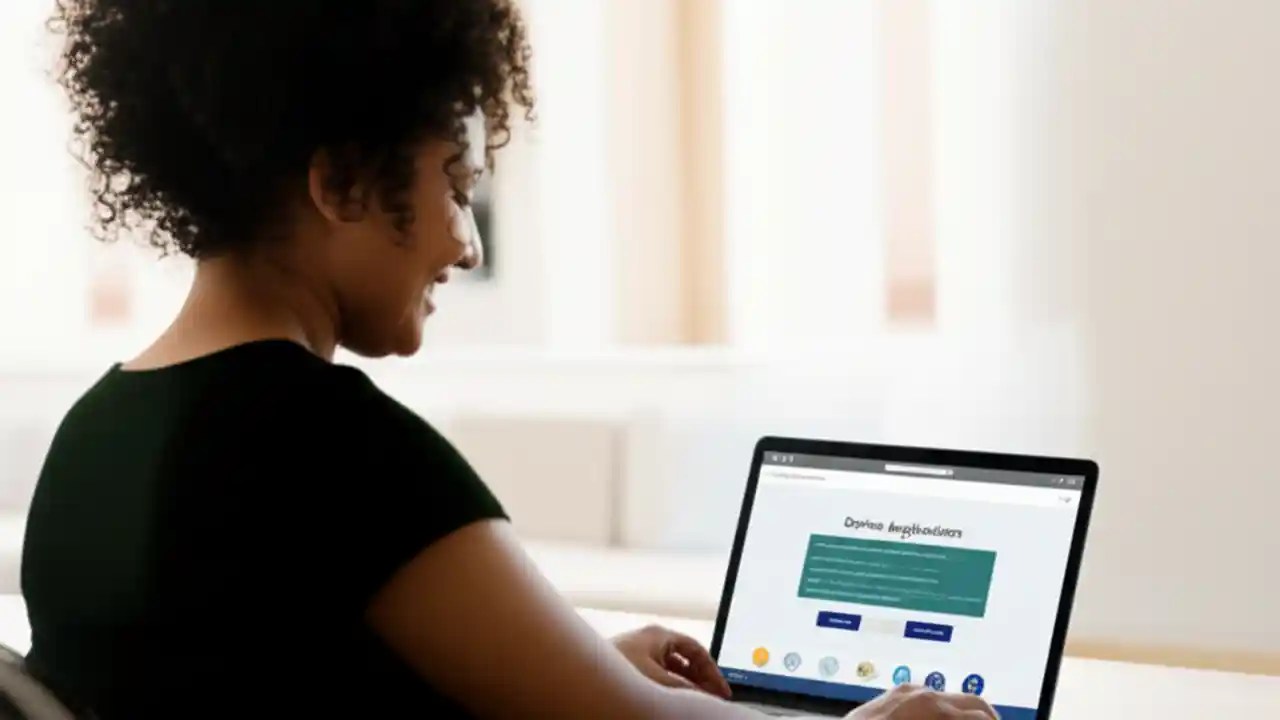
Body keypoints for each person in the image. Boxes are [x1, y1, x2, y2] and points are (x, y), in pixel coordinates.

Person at [20, 1, 999, 718]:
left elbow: (248, 678)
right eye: (454, 184)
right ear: (340, 184)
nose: (464, 244)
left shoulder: (98, 429)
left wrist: (573, 666)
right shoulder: (323, 438)